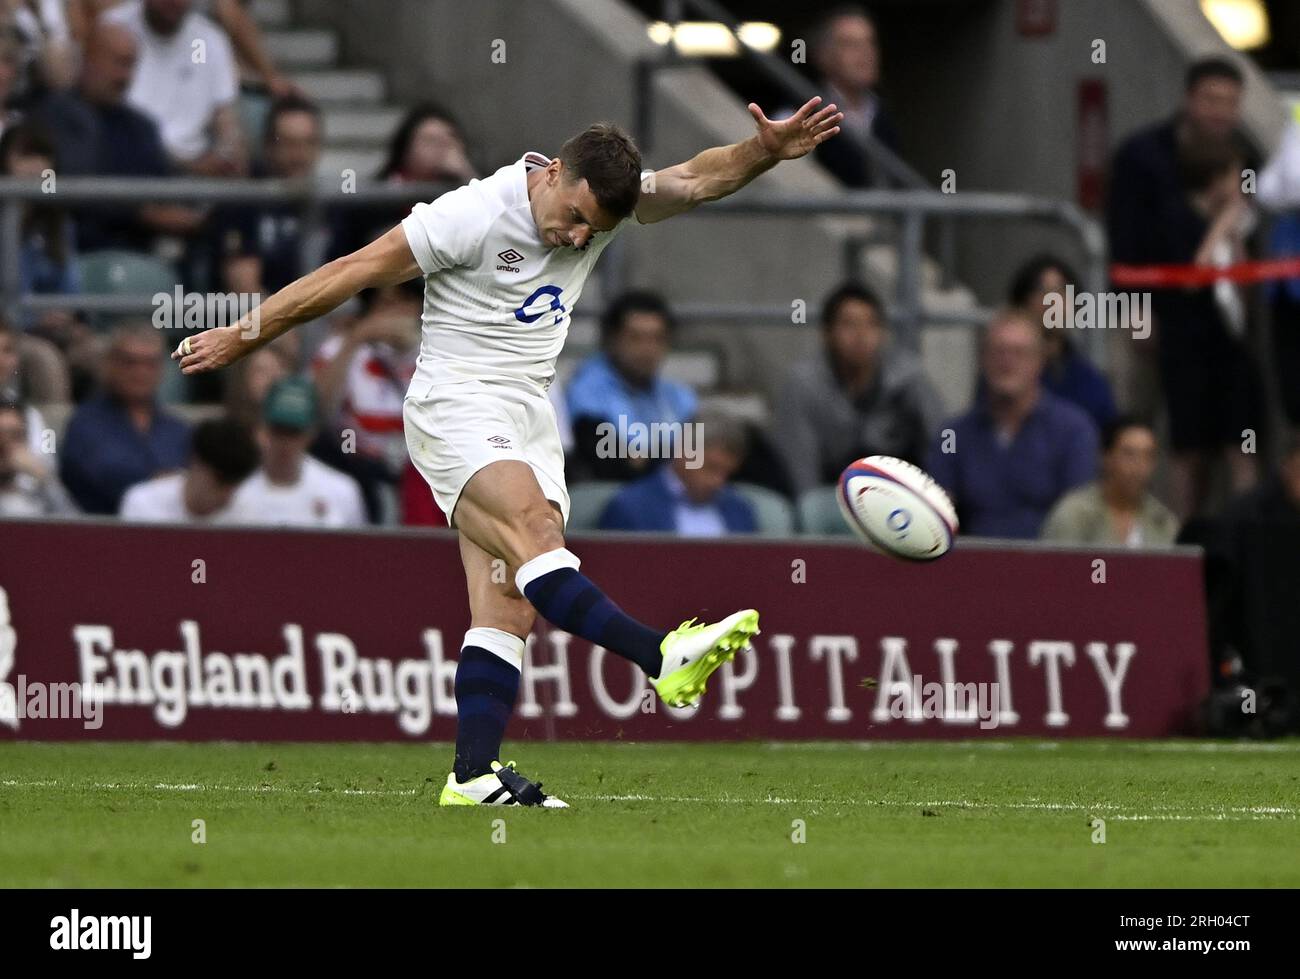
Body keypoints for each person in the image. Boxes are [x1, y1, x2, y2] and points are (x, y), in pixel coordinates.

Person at [173, 98, 844, 806]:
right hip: (456, 402)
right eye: (576, 217)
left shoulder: (600, 207)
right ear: (552, 173)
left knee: (509, 604)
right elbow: (353, 271)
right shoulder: (473, 214)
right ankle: (659, 653)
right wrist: (243, 333)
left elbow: (696, 179)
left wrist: (765, 151)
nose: (580, 237)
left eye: (596, 230)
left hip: (527, 409)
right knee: (533, 534)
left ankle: (474, 775)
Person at [30, 19, 202, 251]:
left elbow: (165, 186)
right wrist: (138, 212)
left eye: (131, 65)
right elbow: (59, 185)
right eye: (118, 63)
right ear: (89, 59)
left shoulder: (141, 128)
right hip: (73, 253)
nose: (125, 76)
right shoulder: (51, 118)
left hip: (140, 254)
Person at [927, 310, 1099, 539]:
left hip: (1051, 564)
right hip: (972, 563)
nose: (1007, 362)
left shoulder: (1074, 431)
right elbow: (935, 514)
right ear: (982, 360)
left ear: (1039, 362)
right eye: (998, 352)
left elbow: (1080, 517)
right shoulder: (953, 434)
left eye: (1019, 353)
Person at [775, 281, 942, 499]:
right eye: (849, 324)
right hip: (830, 501)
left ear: (883, 333)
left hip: (899, 497)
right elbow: (800, 470)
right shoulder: (803, 384)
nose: (861, 335)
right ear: (826, 334)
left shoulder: (909, 377)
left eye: (871, 324)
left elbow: (941, 439)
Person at [101, 0, 246, 175]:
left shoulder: (205, 42)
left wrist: (229, 152)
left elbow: (225, 117)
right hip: (130, 163)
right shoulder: (114, 29)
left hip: (196, 170)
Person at [565, 290, 697, 481]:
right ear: (611, 339)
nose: (647, 350)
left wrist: (644, 457)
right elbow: (611, 463)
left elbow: (699, 455)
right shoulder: (587, 390)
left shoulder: (676, 394)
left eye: (656, 338)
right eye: (635, 338)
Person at [60, 323, 190, 513]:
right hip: (104, 532)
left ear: (162, 369)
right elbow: (102, 478)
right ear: (109, 363)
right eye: (130, 362)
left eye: (150, 363)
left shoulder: (178, 430)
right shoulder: (84, 424)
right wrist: (161, 483)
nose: (140, 372)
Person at [210, 95, 322, 296]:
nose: (299, 155)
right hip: (267, 321)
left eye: (308, 143)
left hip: (326, 320)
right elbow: (246, 289)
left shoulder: (333, 204)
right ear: (269, 145)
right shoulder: (243, 201)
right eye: (289, 143)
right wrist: (294, 326)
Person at [227, 377, 365, 528]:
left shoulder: (343, 491)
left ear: (311, 433)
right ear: (263, 430)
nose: (285, 442)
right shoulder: (238, 495)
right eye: (279, 430)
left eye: (294, 432)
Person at [598, 411, 756, 536]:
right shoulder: (630, 508)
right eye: (710, 467)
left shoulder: (740, 510)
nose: (718, 482)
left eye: (727, 473)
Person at [1007, 254, 1117, 430]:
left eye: (1062, 291)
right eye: (1043, 291)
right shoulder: (1004, 371)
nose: (1053, 302)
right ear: (1022, 303)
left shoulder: (1090, 380)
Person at [1041, 416, 1179, 548]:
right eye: (1129, 454)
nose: (1139, 466)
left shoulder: (1163, 521)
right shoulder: (1074, 514)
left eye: (1147, 456)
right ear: (1106, 457)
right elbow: (1057, 569)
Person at [804, 4, 901, 187]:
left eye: (869, 42)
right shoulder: (801, 111)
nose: (865, 53)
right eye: (850, 44)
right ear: (823, 55)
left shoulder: (883, 112)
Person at [119, 415, 258, 521]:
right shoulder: (143, 503)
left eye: (234, 484)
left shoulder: (248, 516)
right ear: (196, 462)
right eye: (220, 482)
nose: (226, 495)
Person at [0, 397, 74, 516]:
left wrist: (44, 478)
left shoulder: (36, 494)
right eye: (0, 435)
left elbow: (75, 524)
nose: (5, 445)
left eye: (14, 435)